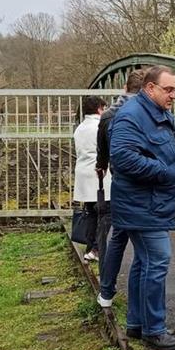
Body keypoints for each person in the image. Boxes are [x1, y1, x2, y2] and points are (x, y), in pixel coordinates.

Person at [109, 65, 175, 350]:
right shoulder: (132, 116)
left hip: (148, 204)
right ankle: (154, 329)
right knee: (158, 261)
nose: (173, 96)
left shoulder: (155, 112)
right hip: (142, 206)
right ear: (150, 88)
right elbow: (122, 158)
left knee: (144, 262)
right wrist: (165, 172)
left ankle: (137, 322)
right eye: (168, 90)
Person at [95, 69, 146, 308]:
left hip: (120, 181)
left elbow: (102, 150)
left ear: (125, 87)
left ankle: (106, 291)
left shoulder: (108, 115)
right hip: (145, 182)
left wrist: (102, 165)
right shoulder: (147, 112)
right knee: (145, 241)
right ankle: (141, 296)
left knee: (118, 236)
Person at [73, 96, 106, 261]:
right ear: (99, 108)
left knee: (91, 213)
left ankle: (90, 247)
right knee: (103, 214)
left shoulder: (79, 128)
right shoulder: (100, 126)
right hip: (98, 176)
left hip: (83, 175)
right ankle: (97, 249)